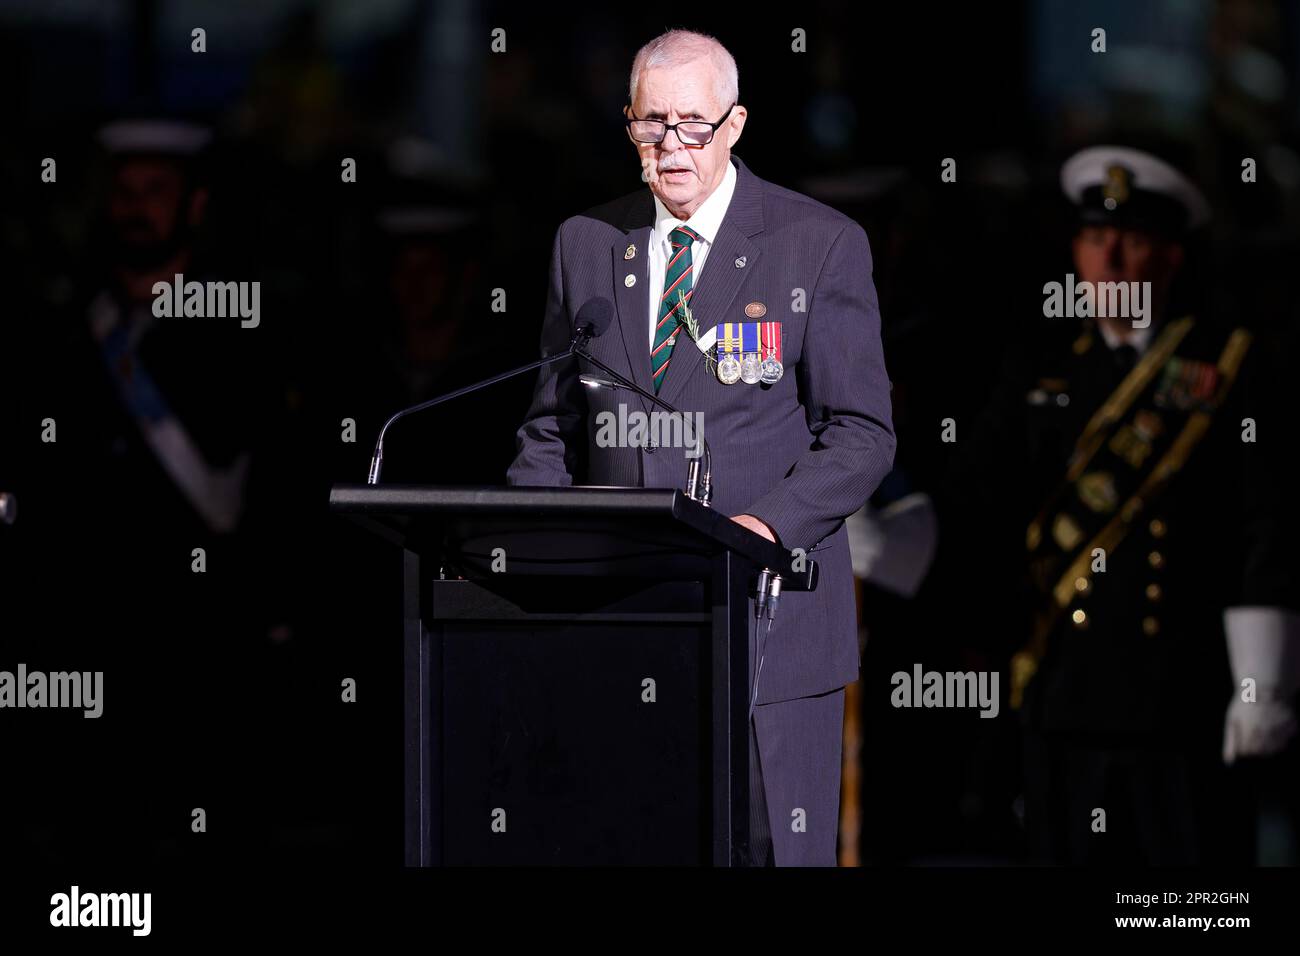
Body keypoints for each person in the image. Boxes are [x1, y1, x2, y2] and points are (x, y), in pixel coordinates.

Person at [507, 29, 895, 865]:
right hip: (627, 626)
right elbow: (550, 427)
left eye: (693, 125)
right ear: (628, 126)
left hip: (768, 633)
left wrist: (768, 525)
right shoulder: (586, 243)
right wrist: (533, 549)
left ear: (736, 125)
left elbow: (861, 433)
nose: (672, 147)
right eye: (653, 126)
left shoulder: (815, 243)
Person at [955, 145, 1299, 864]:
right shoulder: (1040, 368)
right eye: (1093, 238)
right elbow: (981, 505)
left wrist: (1261, 681)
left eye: (1132, 240)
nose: (1108, 258)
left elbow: (1264, 526)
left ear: (1170, 258)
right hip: (1063, 697)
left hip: (1183, 702)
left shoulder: (1225, 366)